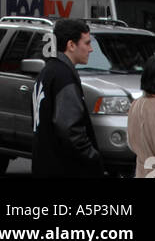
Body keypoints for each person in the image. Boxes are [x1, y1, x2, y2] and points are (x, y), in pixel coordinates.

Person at [32, 18, 104, 178]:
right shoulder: (63, 77)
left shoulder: (46, 72)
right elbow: (70, 129)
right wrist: (93, 157)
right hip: (63, 168)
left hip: (43, 164)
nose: (91, 49)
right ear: (71, 45)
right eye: (86, 43)